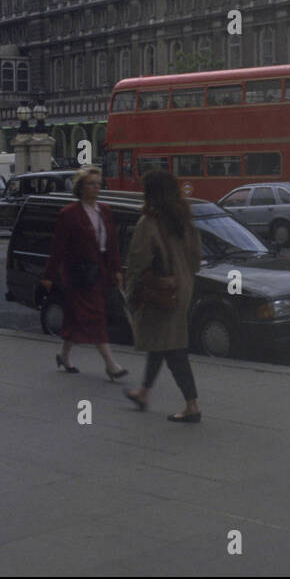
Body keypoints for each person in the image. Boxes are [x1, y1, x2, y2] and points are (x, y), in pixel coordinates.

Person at [123, 169, 204, 422]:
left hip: (162, 290)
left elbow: (139, 259)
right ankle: (143, 392)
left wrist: (131, 289)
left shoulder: (149, 222)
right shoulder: (184, 218)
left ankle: (192, 405)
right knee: (163, 340)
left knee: (173, 348)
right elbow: (196, 258)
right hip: (183, 285)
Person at [40, 166, 128, 380]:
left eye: (98, 183)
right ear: (80, 187)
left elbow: (112, 243)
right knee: (95, 316)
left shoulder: (105, 210)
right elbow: (58, 248)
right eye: (91, 183)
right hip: (79, 274)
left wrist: (116, 269)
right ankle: (110, 364)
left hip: (100, 272)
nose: (96, 187)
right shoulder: (69, 214)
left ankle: (63, 354)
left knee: (76, 318)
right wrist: (49, 275)